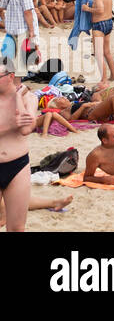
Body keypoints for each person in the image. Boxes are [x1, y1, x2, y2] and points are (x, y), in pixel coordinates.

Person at [0, 59, 38, 231]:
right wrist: (11, 125)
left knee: (17, 227)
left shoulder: (29, 98)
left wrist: (17, 97)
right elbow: (17, 126)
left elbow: (26, 129)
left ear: (10, 76)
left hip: (18, 165)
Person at [1, 0, 39, 77]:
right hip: (22, 30)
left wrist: (5, 21)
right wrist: (32, 31)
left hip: (10, 30)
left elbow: (1, 8)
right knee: (21, 63)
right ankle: (17, 86)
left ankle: (8, 82)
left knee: (9, 59)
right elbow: (27, 12)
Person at [85, 0, 114, 82]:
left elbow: (100, 10)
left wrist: (88, 9)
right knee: (107, 51)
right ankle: (113, 75)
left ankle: (103, 79)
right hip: (109, 23)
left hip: (99, 25)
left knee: (98, 53)